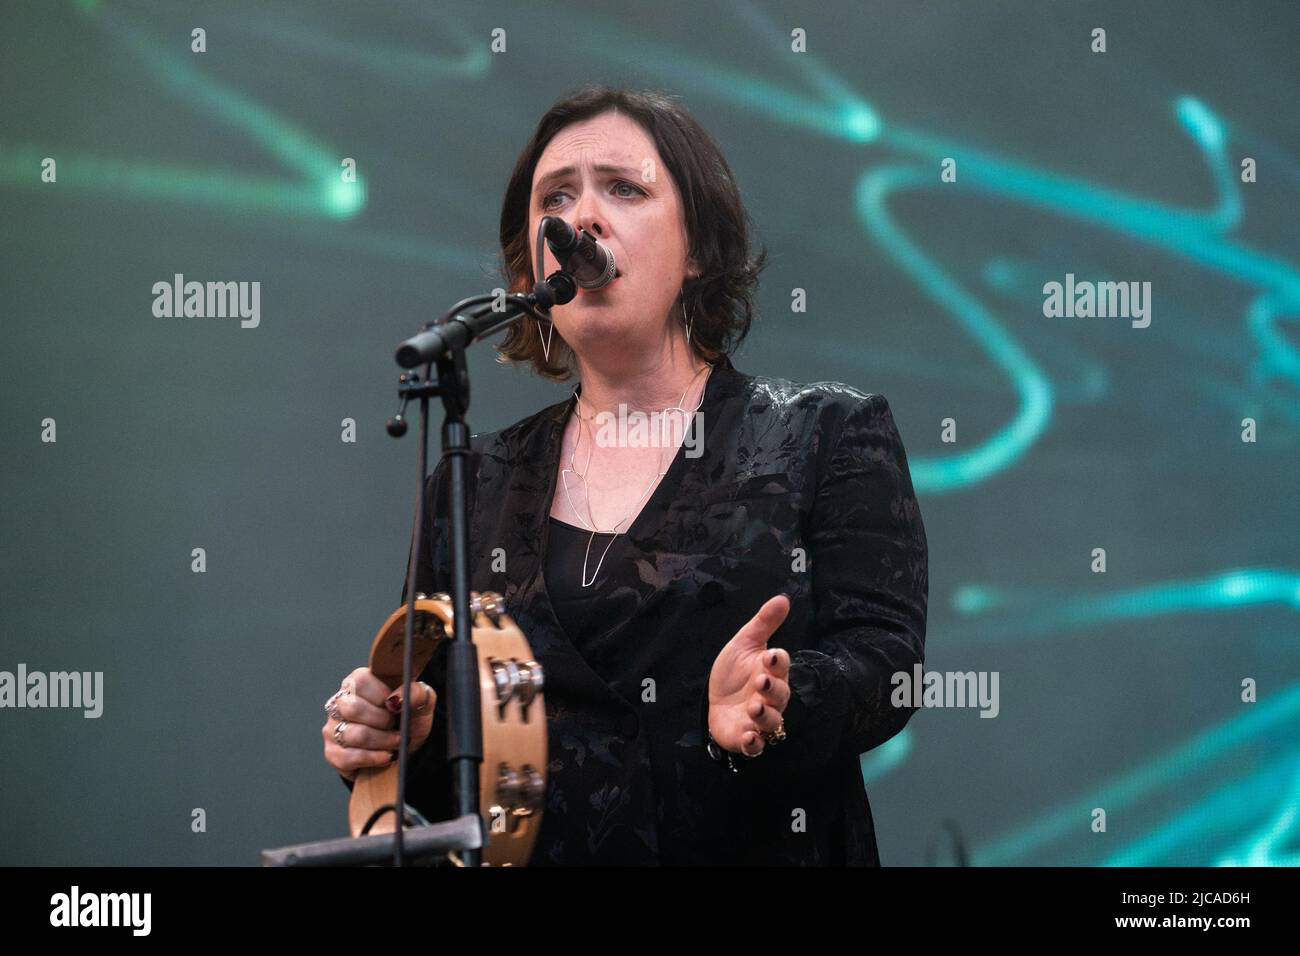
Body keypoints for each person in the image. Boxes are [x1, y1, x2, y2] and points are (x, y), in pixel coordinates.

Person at [321, 85, 928, 865]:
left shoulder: (824, 432)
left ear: (702, 248)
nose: (581, 219)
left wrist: (781, 696)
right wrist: (398, 738)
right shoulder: (475, 480)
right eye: (557, 198)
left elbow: (887, 660)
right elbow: (474, 779)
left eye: (625, 189)